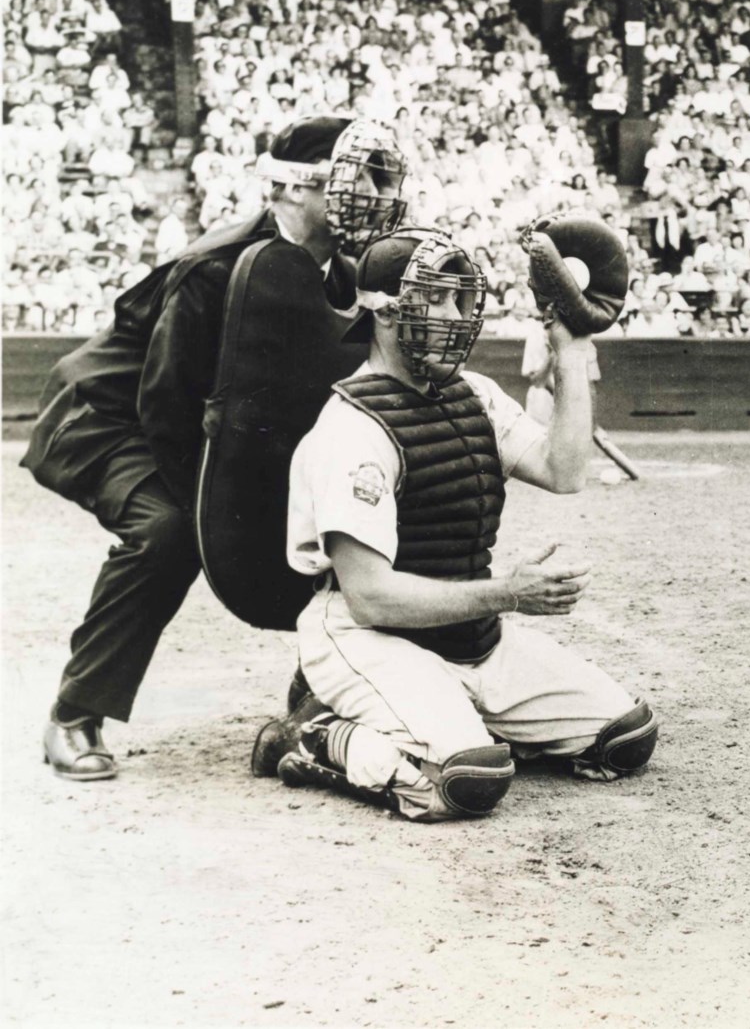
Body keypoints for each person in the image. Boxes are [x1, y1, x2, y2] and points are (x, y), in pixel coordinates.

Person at [23, 116, 409, 782]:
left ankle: (321, 696)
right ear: (292, 191)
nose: (366, 199)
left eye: (375, 183)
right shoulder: (216, 267)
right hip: (113, 420)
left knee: (335, 526)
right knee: (168, 532)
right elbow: (165, 397)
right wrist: (215, 509)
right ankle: (74, 713)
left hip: (197, 426)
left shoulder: (340, 275)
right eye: (347, 184)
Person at [250, 228, 658, 820]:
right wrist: (510, 593)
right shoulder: (351, 430)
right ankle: (312, 734)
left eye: (460, 299)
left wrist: (570, 347)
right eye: (436, 299)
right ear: (385, 312)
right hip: (372, 638)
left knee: (624, 738)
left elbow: (564, 469)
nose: (456, 315)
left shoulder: (475, 395)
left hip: (472, 637)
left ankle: (450, 718)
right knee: (465, 780)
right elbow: (369, 599)